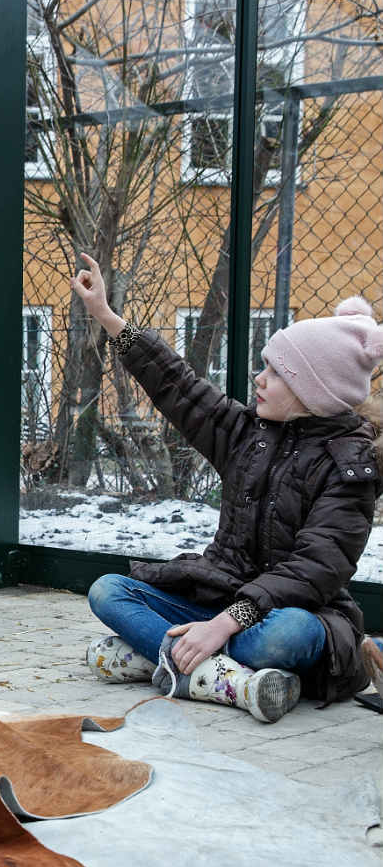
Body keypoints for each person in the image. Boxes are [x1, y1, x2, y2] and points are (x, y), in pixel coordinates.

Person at [74, 253, 383, 722]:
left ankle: (169, 657)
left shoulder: (350, 468)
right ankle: (224, 680)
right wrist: (106, 315)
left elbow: (313, 570)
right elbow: (178, 386)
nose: (259, 379)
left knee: (286, 636)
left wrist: (224, 625)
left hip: (294, 612)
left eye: (276, 373)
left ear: (313, 391)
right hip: (221, 595)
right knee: (107, 590)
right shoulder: (248, 433)